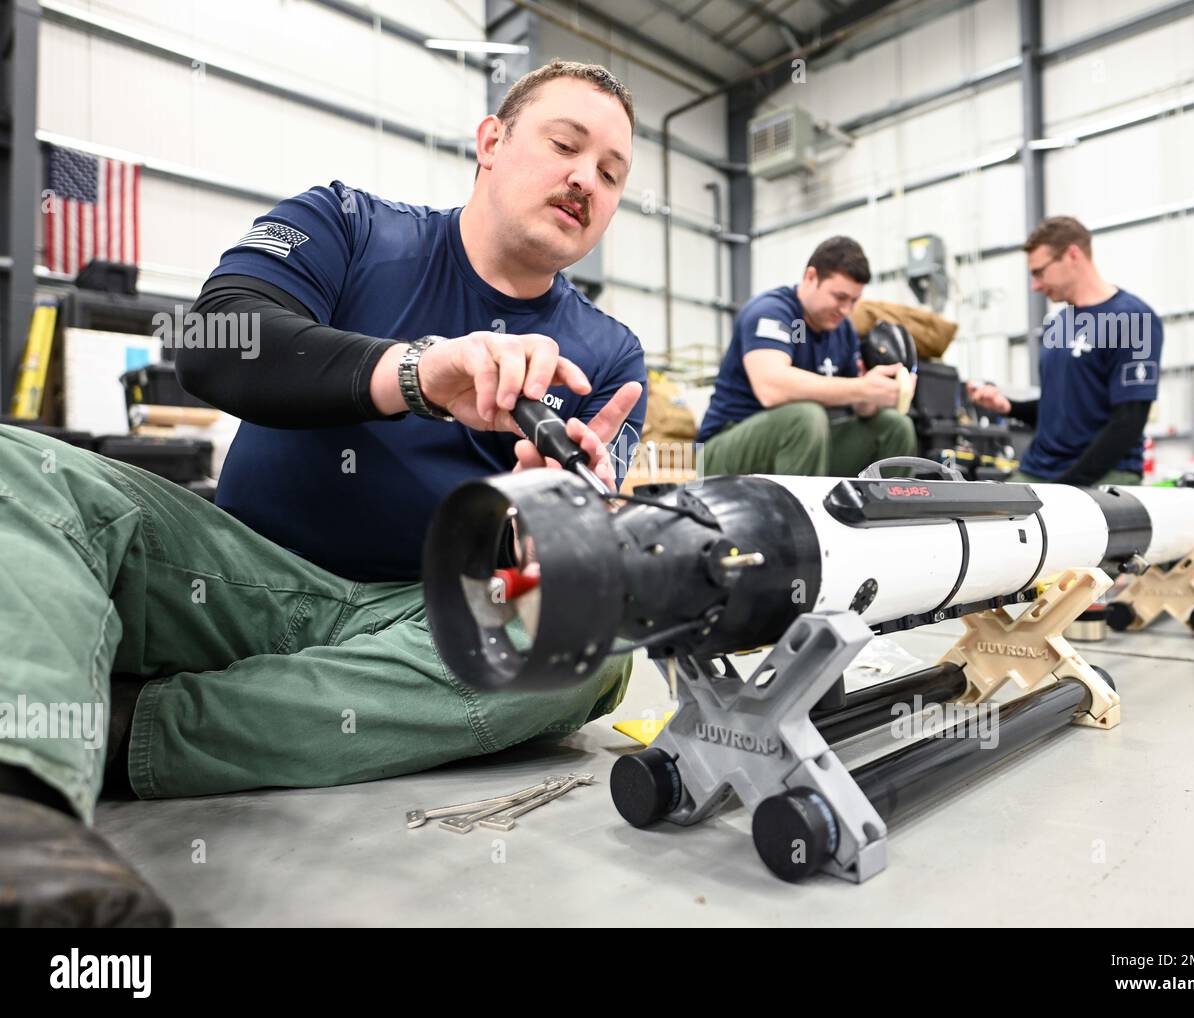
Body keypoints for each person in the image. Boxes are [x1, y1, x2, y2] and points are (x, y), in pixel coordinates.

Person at [0, 59, 646, 926]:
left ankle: (128, 729)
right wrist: (415, 371)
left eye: (611, 174)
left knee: (593, 643)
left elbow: (579, 527)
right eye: (566, 145)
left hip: (426, 618)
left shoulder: (608, 355)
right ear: (490, 143)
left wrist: (544, 518)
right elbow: (214, 341)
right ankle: (23, 819)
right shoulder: (348, 224)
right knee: (22, 466)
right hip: (228, 577)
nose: (584, 180)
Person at [695, 237, 915, 478]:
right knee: (806, 418)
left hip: (804, 444)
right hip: (721, 449)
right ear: (811, 277)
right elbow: (771, 388)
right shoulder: (773, 312)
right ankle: (798, 515)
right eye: (839, 297)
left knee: (895, 426)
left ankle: (879, 512)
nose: (846, 309)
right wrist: (862, 387)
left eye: (853, 301)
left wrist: (878, 393)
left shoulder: (843, 331)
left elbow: (858, 405)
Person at [968, 216, 1162, 486]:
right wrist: (1008, 406)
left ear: (1073, 255)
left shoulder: (1132, 319)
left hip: (1104, 473)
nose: (1035, 285)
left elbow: (1129, 421)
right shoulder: (1058, 324)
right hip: (1039, 469)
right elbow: (1060, 409)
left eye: (1039, 272)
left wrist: (1069, 487)